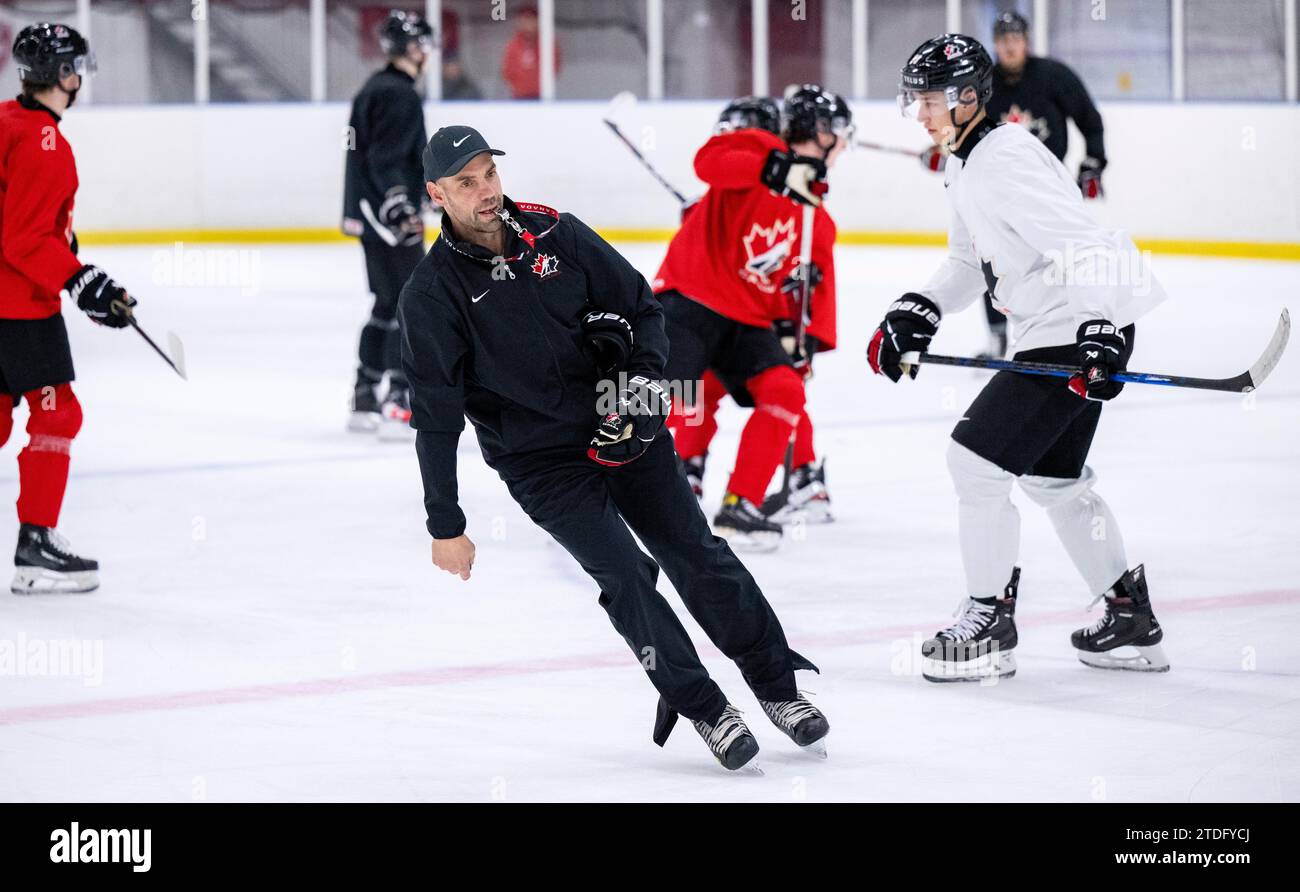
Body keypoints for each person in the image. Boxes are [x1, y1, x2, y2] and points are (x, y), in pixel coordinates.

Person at [397, 125, 830, 771]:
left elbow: (641, 308)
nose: (485, 190)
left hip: (620, 419)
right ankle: (705, 707)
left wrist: (646, 387)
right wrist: (445, 524)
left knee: (696, 553)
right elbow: (435, 418)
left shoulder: (556, 232)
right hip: (539, 461)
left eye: (489, 173)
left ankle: (777, 687)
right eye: (466, 182)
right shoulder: (431, 295)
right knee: (625, 575)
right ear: (436, 192)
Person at [868, 34, 1168, 682]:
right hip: (1062, 325)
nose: (918, 113)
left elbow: (1083, 242)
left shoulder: (1004, 158)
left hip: (1076, 325)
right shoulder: (965, 160)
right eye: (914, 100)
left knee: (974, 464)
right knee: (1052, 479)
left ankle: (987, 622)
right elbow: (965, 263)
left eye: (928, 100)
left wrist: (1098, 328)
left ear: (968, 97)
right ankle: (1127, 616)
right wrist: (917, 307)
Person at [654, 86, 849, 551]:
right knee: (658, 400)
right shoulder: (763, 146)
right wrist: (772, 167)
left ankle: (741, 505)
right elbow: (708, 162)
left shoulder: (814, 212)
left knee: (784, 389)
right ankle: (596, 483)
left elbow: (811, 285)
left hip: (747, 321)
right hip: (692, 300)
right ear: (821, 134)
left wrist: (805, 339)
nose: (844, 145)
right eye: (839, 135)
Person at [1, 23, 139, 594]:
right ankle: (35, 546)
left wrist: (75, 263)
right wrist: (80, 280)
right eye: (75, 67)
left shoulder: (7, 121)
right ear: (61, 74)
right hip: (20, 304)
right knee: (57, 414)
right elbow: (24, 239)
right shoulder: (45, 142)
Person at [976, 9, 1108, 358]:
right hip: (999, 190)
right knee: (991, 258)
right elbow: (964, 131)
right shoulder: (982, 82)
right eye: (1003, 40)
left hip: (1051, 187)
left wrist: (1093, 163)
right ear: (996, 44)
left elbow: (1090, 120)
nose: (1009, 47)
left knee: (1065, 259)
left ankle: (1074, 333)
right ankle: (996, 336)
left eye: (1015, 39)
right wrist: (944, 149)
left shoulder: (1053, 76)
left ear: (1026, 41)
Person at [341, 10, 432, 439]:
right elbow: (387, 157)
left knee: (386, 302)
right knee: (410, 304)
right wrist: (399, 204)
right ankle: (399, 398)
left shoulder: (374, 88)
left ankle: (364, 396)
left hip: (367, 214)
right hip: (387, 218)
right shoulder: (400, 94)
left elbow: (368, 154)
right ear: (412, 48)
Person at [500, 5, 561, 100]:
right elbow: (507, 72)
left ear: (537, 22)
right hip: (519, 97)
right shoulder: (513, 46)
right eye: (524, 20)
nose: (527, 24)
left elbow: (554, 67)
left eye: (530, 20)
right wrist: (520, 84)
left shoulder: (546, 44)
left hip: (542, 96)